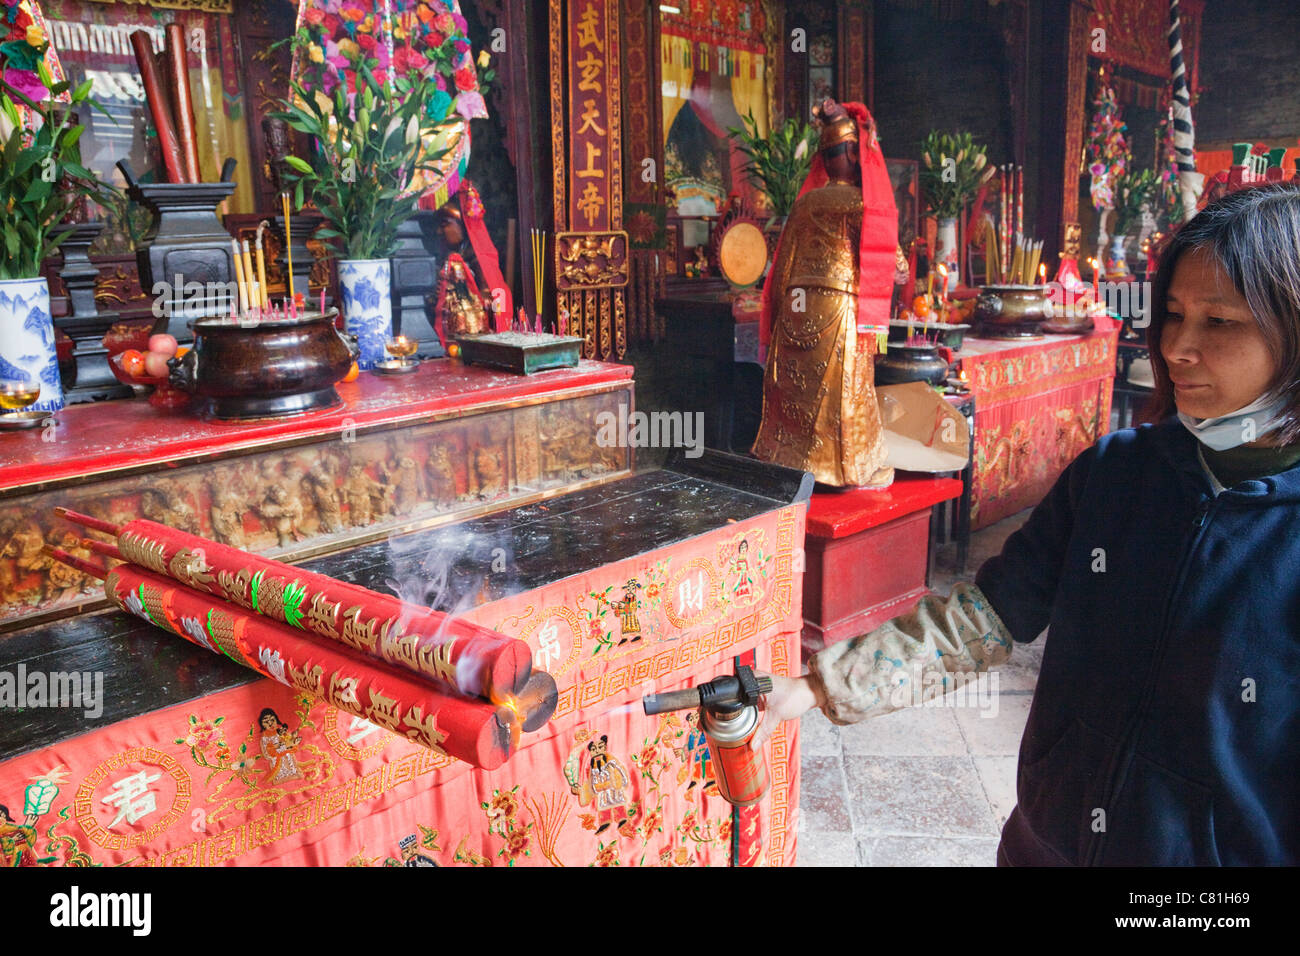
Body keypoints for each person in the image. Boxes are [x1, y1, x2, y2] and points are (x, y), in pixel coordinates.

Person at [760, 182, 1300, 866]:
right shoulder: (1115, 475)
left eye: (1218, 322)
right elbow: (986, 617)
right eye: (1172, 314)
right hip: (1048, 844)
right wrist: (815, 687)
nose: (1177, 348)